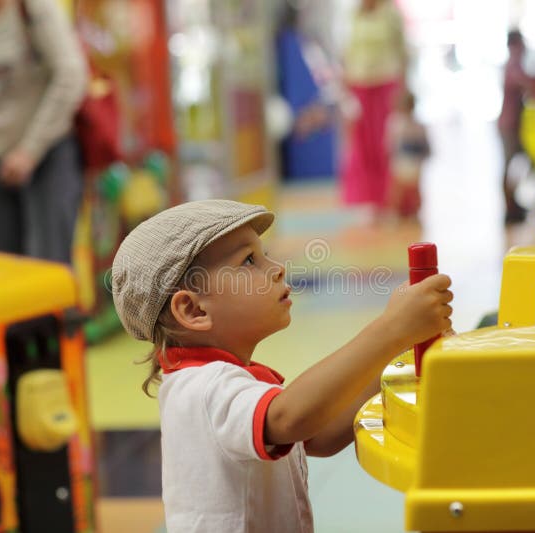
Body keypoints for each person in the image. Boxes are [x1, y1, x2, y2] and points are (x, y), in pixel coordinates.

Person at [111, 199, 453, 531]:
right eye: (248, 261)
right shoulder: (204, 388)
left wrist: (396, 350)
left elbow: (316, 436)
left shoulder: (228, 379)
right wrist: (391, 330)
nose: (277, 269)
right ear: (194, 311)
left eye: (266, 255)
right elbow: (290, 419)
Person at [0, 0, 87, 264]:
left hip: (47, 155)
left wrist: (29, 151)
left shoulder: (33, 9)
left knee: (48, 268)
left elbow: (71, 75)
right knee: (0, 268)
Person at [341, 0, 407, 225]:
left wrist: (403, 90)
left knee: (384, 144)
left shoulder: (391, 13)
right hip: (358, 86)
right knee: (362, 145)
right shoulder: (354, 15)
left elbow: (402, 51)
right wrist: (346, 90)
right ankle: (367, 201)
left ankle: (387, 200)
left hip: (386, 84)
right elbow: (348, 53)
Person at [498, 29, 535, 224]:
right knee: (513, 163)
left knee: (519, 162)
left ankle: (513, 202)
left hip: (513, 124)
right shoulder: (513, 65)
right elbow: (528, 85)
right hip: (509, 125)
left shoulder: (513, 64)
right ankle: (510, 205)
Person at [388, 90, 430, 219]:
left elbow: (424, 144)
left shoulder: (417, 124)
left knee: (414, 190)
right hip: (403, 159)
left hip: (413, 159)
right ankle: (397, 212)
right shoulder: (397, 123)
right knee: (399, 189)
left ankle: (414, 211)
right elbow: (391, 144)